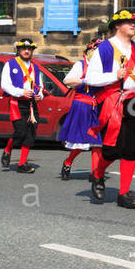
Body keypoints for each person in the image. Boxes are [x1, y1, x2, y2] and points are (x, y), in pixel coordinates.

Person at [86, 10, 135, 209]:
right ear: (117, 25)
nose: (133, 25)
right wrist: (114, 75)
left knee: (132, 148)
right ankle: (98, 174)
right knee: (112, 149)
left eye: (134, 23)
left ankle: (124, 193)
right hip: (112, 101)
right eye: (128, 22)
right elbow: (90, 79)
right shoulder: (105, 48)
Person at [58, 37, 104, 182]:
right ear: (90, 50)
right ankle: (68, 162)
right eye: (97, 50)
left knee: (97, 142)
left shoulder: (104, 68)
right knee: (82, 141)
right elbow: (67, 81)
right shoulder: (81, 65)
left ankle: (94, 172)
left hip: (98, 106)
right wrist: (85, 80)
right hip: (82, 106)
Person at [0, 38, 44, 174]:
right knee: (20, 132)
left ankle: (22, 163)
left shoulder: (35, 67)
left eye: (29, 49)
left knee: (31, 133)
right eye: (24, 49)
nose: (26, 51)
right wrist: (21, 92)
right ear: (18, 50)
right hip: (17, 102)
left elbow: (40, 86)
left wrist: (40, 95)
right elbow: (5, 85)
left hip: (31, 104)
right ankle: (7, 150)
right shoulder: (10, 64)